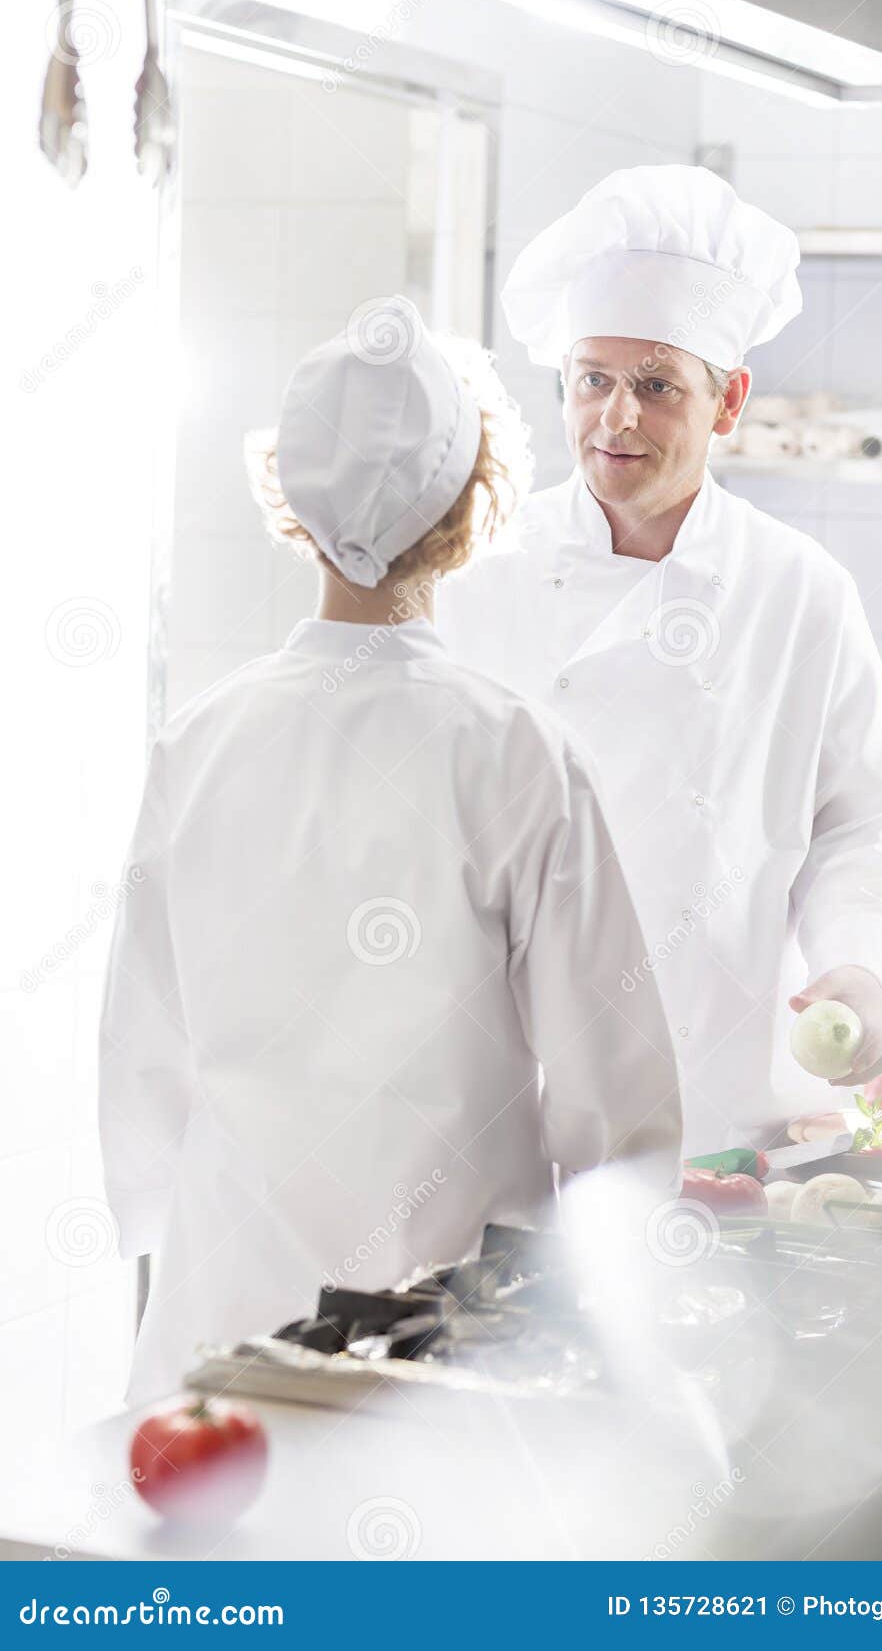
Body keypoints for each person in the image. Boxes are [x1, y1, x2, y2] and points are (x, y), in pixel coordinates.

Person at [98, 305, 682, 1404]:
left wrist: (157, 1220)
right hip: (443, 1346)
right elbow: (613, 1103)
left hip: (214, 1337)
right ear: (475, 504)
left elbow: (142, 1057)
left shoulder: (200, 743)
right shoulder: (516, 753)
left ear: (291, 501)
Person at [438, 167, 882, 1152]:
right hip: (509, 1098)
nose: (616, 419)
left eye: (656, 386)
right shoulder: (476, 577)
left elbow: (864, 824)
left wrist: (860, 963)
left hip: (710, 1085)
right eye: (592, 381)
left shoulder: (795, 592)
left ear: (728, 401)